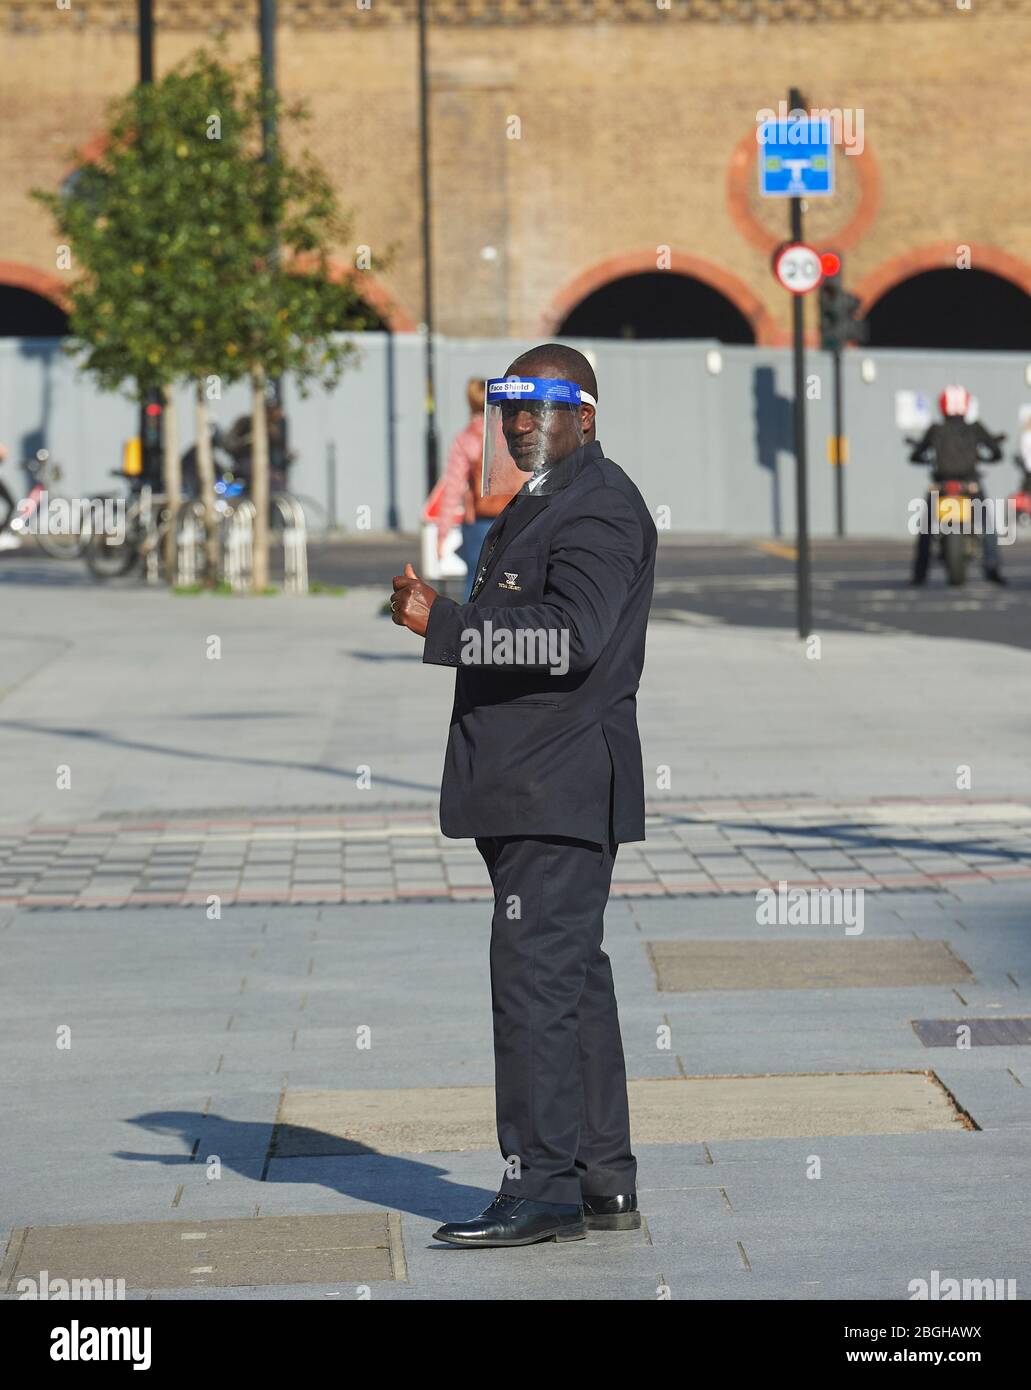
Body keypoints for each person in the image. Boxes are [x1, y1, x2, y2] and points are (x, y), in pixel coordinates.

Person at [390, 343, 657, 1248]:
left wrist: (447, 625)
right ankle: (598, 1182)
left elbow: (570, 638)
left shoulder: (599, 503)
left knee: (534, 984)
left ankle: (538, 1186)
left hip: (561, 782)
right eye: (507, 408)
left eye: (536, 408)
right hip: (531, 783)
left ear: (583, 413)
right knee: (569, 980)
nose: (516, 425)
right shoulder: (546, 499)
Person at [908, 385, 1006, 585]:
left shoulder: (936, 430)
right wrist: (988, 456)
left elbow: (916, 454)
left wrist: (920, 454)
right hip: (970, 484)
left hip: (942, 485)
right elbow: (996, 451)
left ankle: (920, 572)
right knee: (987, 525)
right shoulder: (974, 428)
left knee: (926, 528)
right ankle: (992, 566)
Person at [434, 378, 510, 600]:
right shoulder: (510, 435)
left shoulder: (466, 439)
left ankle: (469, 631)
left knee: (474, 582)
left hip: (480, 519)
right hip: (512, 515)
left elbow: (453, 488)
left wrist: (442, 533)